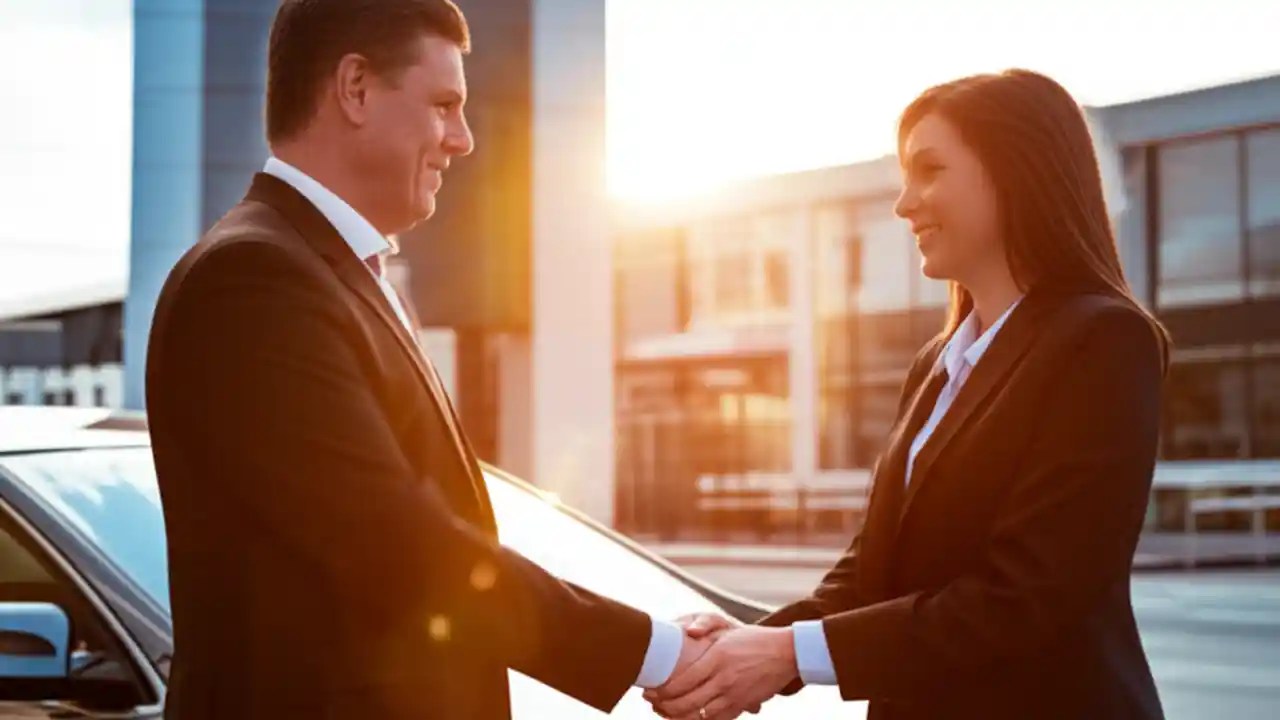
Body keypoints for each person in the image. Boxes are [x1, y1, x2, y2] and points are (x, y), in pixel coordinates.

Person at [144, 2, 704, 717]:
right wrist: (651, 651)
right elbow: (393, 544)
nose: (463, 140)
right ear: (355, 88)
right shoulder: (255, 281)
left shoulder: (328, 272)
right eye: (444, 105)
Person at [646, 69, 1170, 720]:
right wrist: (752, 642)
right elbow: (875, 566)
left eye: (929, 170)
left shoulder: (1104, 342)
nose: (904, 204)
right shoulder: (937, 364)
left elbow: (1028, 597)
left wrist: (785, 653)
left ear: (1015, 171)